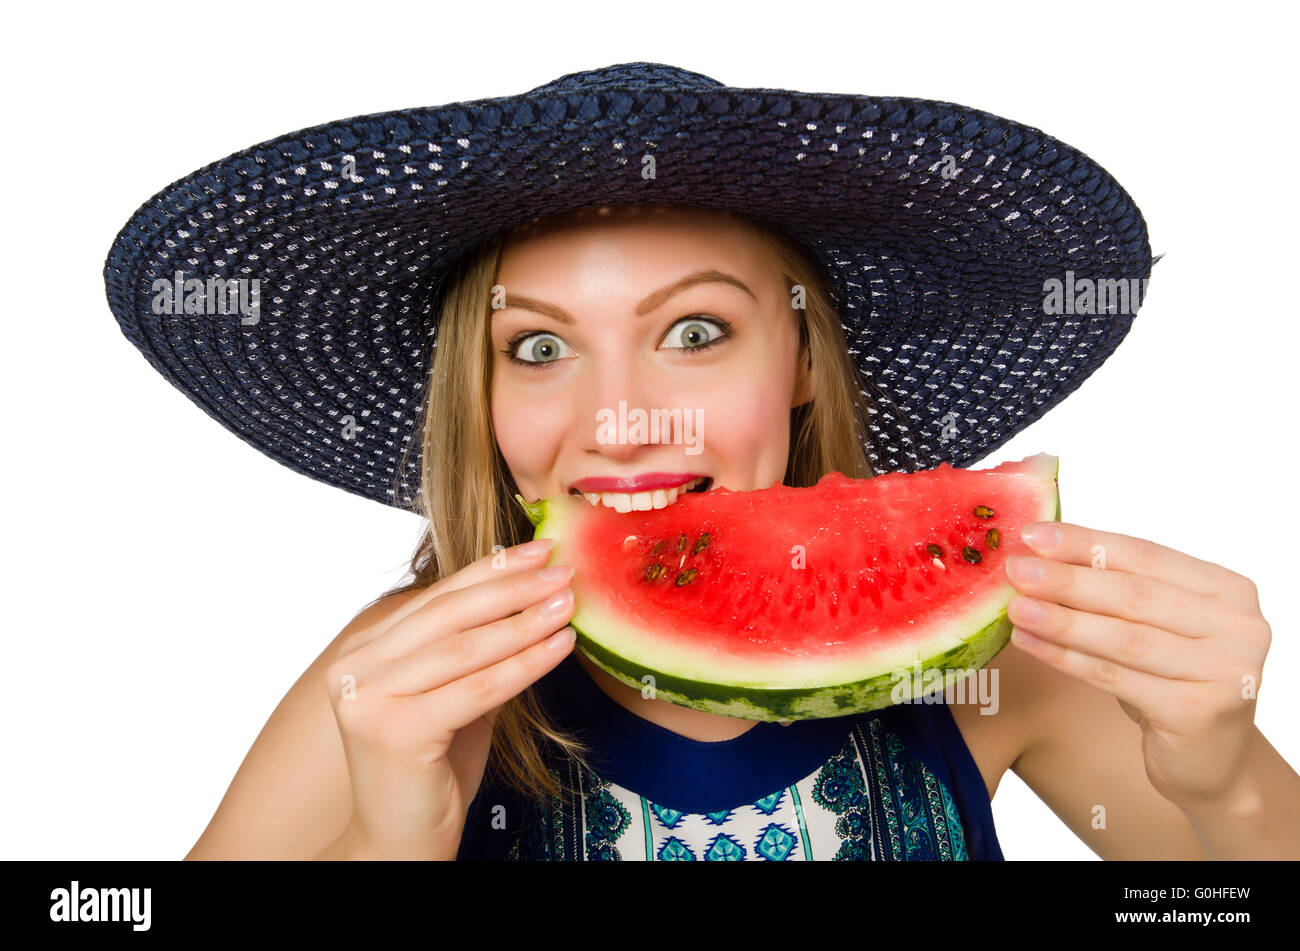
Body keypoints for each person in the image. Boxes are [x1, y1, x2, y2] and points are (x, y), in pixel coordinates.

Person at [106, 63, 1292, 861]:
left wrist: (1226, 779)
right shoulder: (394, 681)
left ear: (803, 359)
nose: (620, 422)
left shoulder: (1001, 655)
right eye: (537, 347)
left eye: (693, 332)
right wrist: (389, 843)